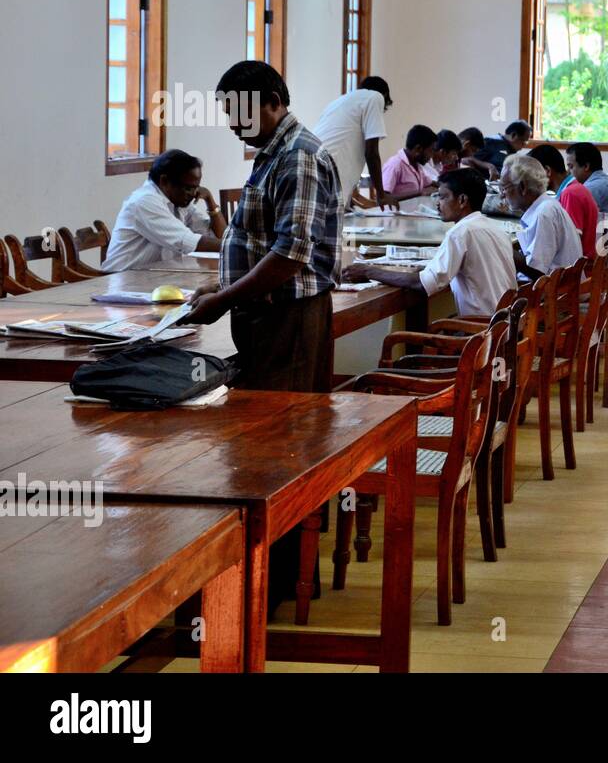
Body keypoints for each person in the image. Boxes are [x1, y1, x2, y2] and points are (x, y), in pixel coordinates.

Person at [182, 60, 342, 617]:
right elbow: (258, 240)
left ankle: (274, 588)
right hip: (268, 318)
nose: (232, 124)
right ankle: (268, 579)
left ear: (274, 99)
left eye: (239, 112)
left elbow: (290, 254)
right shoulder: (274, 154)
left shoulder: (297, 156)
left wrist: (222, 299)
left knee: (283, 447)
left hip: (289, 321)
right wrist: (222, 290)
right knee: (264, 448)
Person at [342, 170, 515, 317]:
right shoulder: (495, 228)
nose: (437, 203)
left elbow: (424, 284)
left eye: (443, 197)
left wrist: (368, 270)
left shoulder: (461, 232)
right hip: (507, 325)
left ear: (462, 200)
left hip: (483, 332)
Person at [103, 150, 228, 271]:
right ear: (164, 181)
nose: (192, 194)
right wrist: (235, 247)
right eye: (188, 188)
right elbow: (185, 241)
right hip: (122, 279)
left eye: (195, 188)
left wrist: (210, 201)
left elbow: (219, 235)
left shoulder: (178, 200)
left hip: (152, 276)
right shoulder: (144, 202)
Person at [313, 75, 399, 209]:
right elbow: (371, 153)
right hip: (330, 172)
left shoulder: (338, 102)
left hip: (313, 167)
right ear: (384, 95)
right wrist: (381, 195)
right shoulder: (375, 97)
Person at [501, 152, 581, 279]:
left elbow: (538, 272)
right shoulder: (546, 205)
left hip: (556, 294)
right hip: (559, 286)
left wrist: (503, 246)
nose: (502, 195)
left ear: (522, 187)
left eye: (504, 188)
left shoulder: (544, 213)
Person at [529, 143, 598, 258]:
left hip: (580, 270)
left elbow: (571, 245)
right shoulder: (572, 189)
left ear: (547, 171)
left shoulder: (571, 193)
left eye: (531, 175)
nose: (530, 182)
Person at [567, 142, 608, 215]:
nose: (568, 172)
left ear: (586, 166)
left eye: (571, 167)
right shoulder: (603, 181)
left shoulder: (592, 188)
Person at [383, 125, 440, 201]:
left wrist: (448, 186)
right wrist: (419, 193)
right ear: (418, 149)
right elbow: (383, 198)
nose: (432, 155)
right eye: (431, 150)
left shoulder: (416, 165)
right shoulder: (395, 164)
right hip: (397, 212)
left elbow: (430, 183)